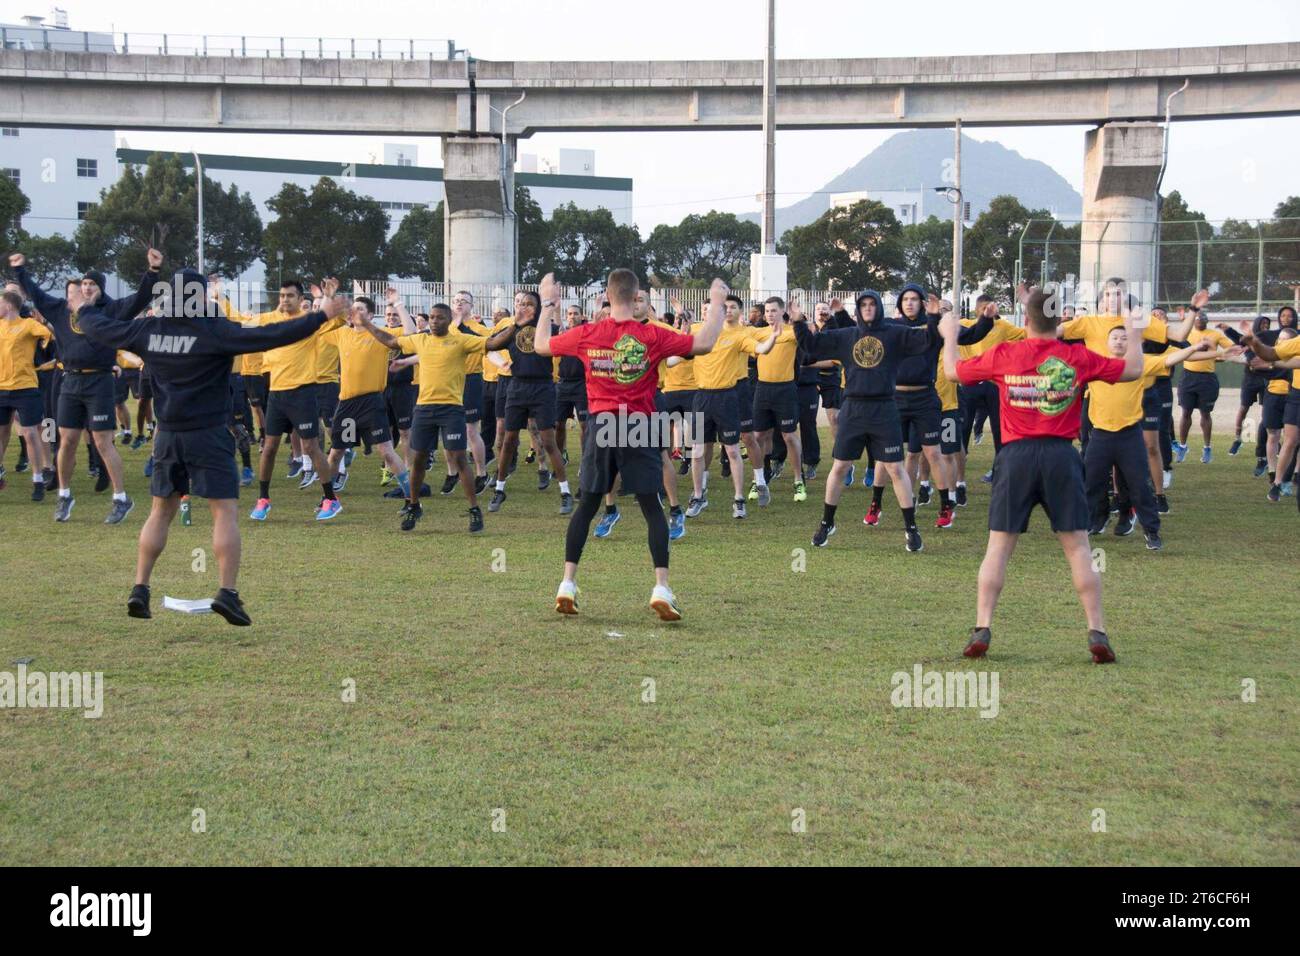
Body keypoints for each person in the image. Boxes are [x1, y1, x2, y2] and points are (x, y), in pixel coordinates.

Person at [76, 268, 348, 625]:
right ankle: (227, 593)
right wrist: (320, 316)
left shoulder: (148, 330)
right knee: (224, 512)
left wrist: (83, 310)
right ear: (199, 297)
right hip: (209, 434)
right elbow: (272, 335)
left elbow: (102, 329)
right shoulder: (214, 331)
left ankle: (140, 588)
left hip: (168, 436)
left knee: (160, 512)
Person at [940, 287, 1145, 663]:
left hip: (1015, 456)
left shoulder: (1006, 353)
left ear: (1027, 319)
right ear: (1060, 320)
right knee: (1079, 548)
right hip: (1061, 456)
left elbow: (953, 372)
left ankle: (983, 625)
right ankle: (1096, 630)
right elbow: (1133, 369)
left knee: (998, 548)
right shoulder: (1077, 356)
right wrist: (1133, 331)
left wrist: (950, 336)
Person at [534, 270, 724, 620]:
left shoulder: (588, 333)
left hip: (602, 423)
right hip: (640, 423)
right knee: (652, 507)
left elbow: (541, 345)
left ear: (607, 294)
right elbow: (705, 342)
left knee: (588, 505)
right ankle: (661, 587)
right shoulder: (651, 334)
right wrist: (716, 304)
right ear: (637, 296)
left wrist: (548, 302)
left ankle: (567, 583)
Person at [11, 249, 162, 523]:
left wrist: (152, 272)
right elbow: (34, 292)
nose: (87, 288)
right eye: (84, 284)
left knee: (103, 441)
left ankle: (120, 499)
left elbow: (140, 298)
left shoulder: (112, 310)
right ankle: (64, 495)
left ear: (101, 290)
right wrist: (20, 270)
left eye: (93, 284)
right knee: (66, 441)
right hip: (69, 381)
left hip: (100, 381)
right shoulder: (60, 310)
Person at [796, 291, 940, 552]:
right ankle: (827, 523)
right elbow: (811, 346)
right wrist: (796, 322)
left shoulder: (894, 334)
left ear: (879, 308)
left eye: (873, 304)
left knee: (895, 468)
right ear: (858, 309)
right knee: (840, 467)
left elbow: (928, 340)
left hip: (885, 408)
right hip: (853, 408)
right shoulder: (847, 336)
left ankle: (911, 528)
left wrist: (932, 315)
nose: (869, 308)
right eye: (863, 304)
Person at [359, 302, 501, 533]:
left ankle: (475, 509)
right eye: (432, 317)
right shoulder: (420, 339)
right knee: (418, 461)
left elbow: (493, 343)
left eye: (439, 318)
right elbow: (390, 341)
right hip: (424, 409)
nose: (434, 321)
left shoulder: (461, 340)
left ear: (448, 320)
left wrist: (517, 325)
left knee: (458, 458)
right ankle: (414, 505)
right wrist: (366, 324)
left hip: (452, 409)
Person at [1084, 330, 1216, 548]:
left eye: (1125, 337)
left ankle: (1152, 532)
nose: (1119, 341)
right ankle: (1089, 524)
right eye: (1115, 337)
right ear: (1106, 342)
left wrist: (1192, 348)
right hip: (1100, 435)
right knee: (1091, 483)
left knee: (1140, 486)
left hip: (1129, 435)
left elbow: (1170, 359)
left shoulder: (1140, 363)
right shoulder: (1095, 363)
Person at [226, 279, 339, 522]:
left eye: (290, 296)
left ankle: (330, 499)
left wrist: (329, 297)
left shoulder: (309, 323)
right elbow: (240, 323)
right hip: (276, 394)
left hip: (303, 392)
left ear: (300, 300)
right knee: (269, 448)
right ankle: (263, 499)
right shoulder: (269, 319)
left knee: (311, 447)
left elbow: (334, 319)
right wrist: (217, 302)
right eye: (282, 295)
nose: (285, 300)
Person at [315, 296, 412, 519]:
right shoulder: (342, 333)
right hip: (347, 406)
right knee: (337, 451)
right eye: (353, 309)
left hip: (371, 404)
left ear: (370, 315)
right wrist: (328, 299)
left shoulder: (379, 335)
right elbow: (317, 328)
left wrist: (398, 305)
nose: (354, 312)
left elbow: (409, 331)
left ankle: (410, 498)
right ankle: (329, 499)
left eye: (359, 309)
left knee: (386, 451)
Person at [682, 294, 778, 518]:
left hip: (728, 397)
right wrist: (683, 331)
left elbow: (762, 349)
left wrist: (774, 335)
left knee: (734, 449)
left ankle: (740, 498)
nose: (727, 310)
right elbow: (678, 350)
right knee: (696, 450)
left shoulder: (738, 335)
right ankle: (698, 496)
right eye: (722, 307)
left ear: (740, 311)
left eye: (732, 307)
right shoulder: (698, 332)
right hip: (701, 398)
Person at [487, 290, 573, 515]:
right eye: (521, 303)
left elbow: (561, 336)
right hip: (516, 387)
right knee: (509, 440)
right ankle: (499, 488)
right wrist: (514, 328)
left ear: (538, 308)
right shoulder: (511, 329)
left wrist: (556, 312)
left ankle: (565, 492)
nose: (524, 307)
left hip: (543, 387)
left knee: (548, 440)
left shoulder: (547, 328)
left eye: (529, 304)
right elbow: (491, 346)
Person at [0, 289, 54, 500]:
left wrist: (47, 323)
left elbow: (50, 335)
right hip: (2, 388)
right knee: (3, 432)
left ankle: (38, 479)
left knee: (31, 433)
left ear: (9, 305)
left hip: (26, 387)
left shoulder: (28, 324)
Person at [1173, 312, 1234, 464]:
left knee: (1205, 414)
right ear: (1193, 321)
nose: (1200, 321)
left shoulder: (1215, 334)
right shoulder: (1186, 333)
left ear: (1207, 321)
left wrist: (1218, 357)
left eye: (1203, 318)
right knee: (1185, 412)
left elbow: (1231, 349)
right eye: (1197, 318)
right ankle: (1182, 446)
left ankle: (1207, 448)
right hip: (1188, 377)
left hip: (1207, 378)